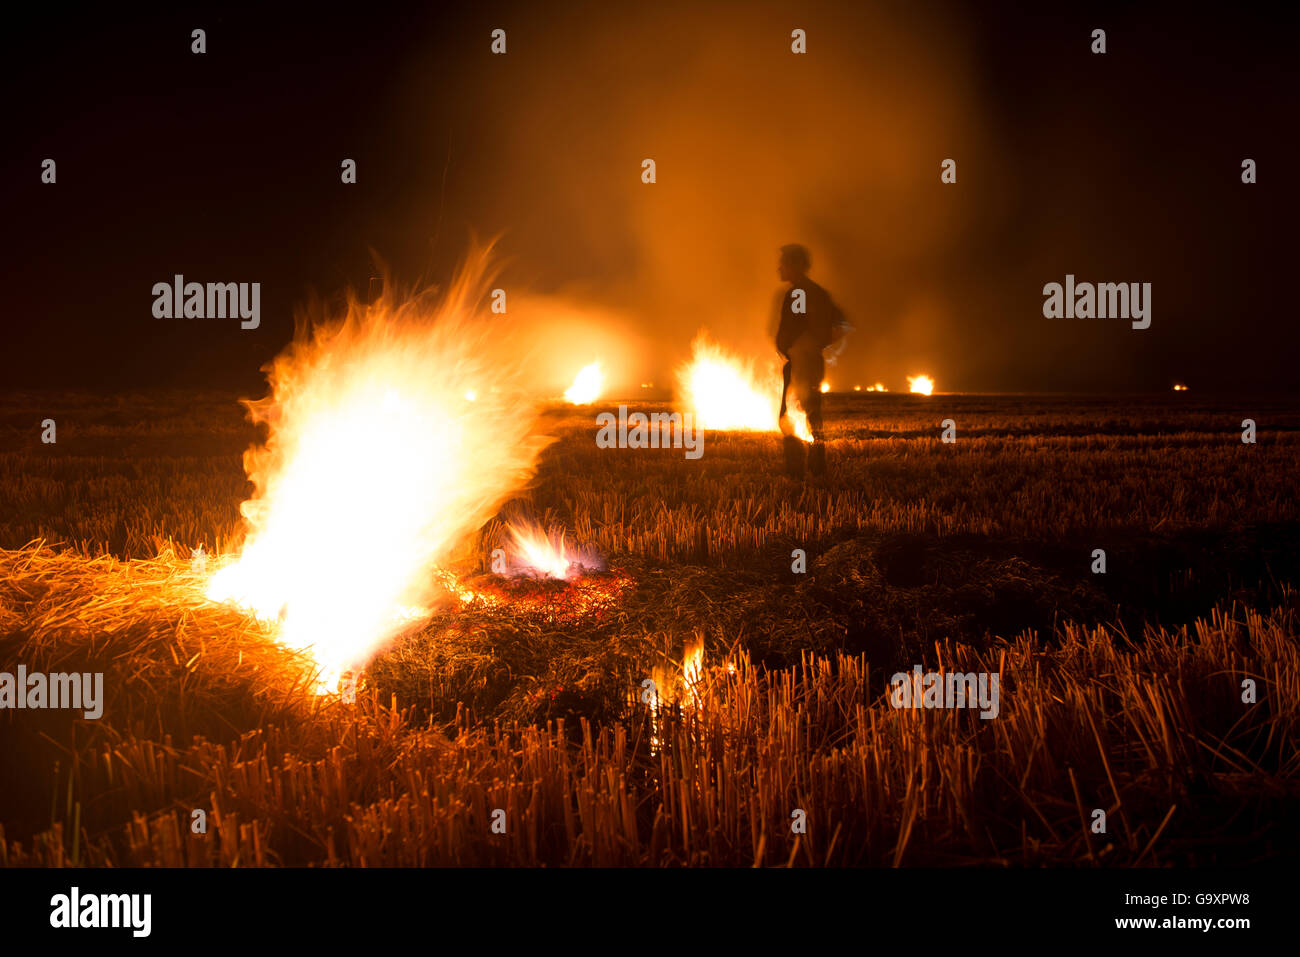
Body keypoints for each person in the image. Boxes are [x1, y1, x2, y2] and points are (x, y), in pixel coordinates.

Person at [773, 244, 846, 479]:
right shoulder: (816, 292)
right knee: (813, 415)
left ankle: (797, 472)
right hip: (809, 362)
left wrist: (800, 346)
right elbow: (842, 325)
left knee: (788, 417)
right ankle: (818, 467)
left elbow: (799, 325)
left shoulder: (800, 293)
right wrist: (822, 345)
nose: (779, 267)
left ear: (795, 265)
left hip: (800, 364)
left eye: (783, 262)